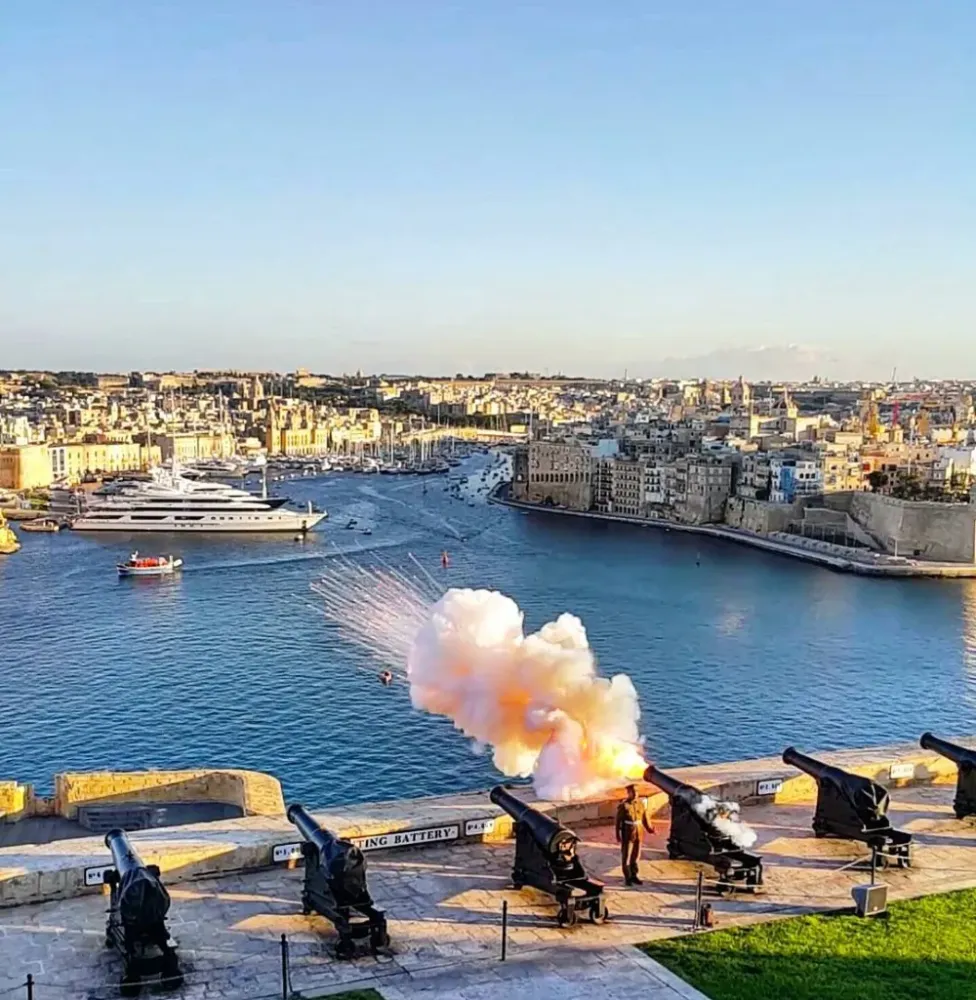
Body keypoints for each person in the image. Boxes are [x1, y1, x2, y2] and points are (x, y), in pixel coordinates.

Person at [615, 784, 654, 885]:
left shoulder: (641, 804)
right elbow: (618, 821)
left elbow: (645, 818)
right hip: (628, 833)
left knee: (636, 855)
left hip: (639, 832)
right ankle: (627, 877)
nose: (636, 794)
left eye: (637, 792)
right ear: (629, 793)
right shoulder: (624, 806)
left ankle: (634, 875)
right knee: (627, 855)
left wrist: (650, 829)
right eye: (633, 792)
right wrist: (617, 835)